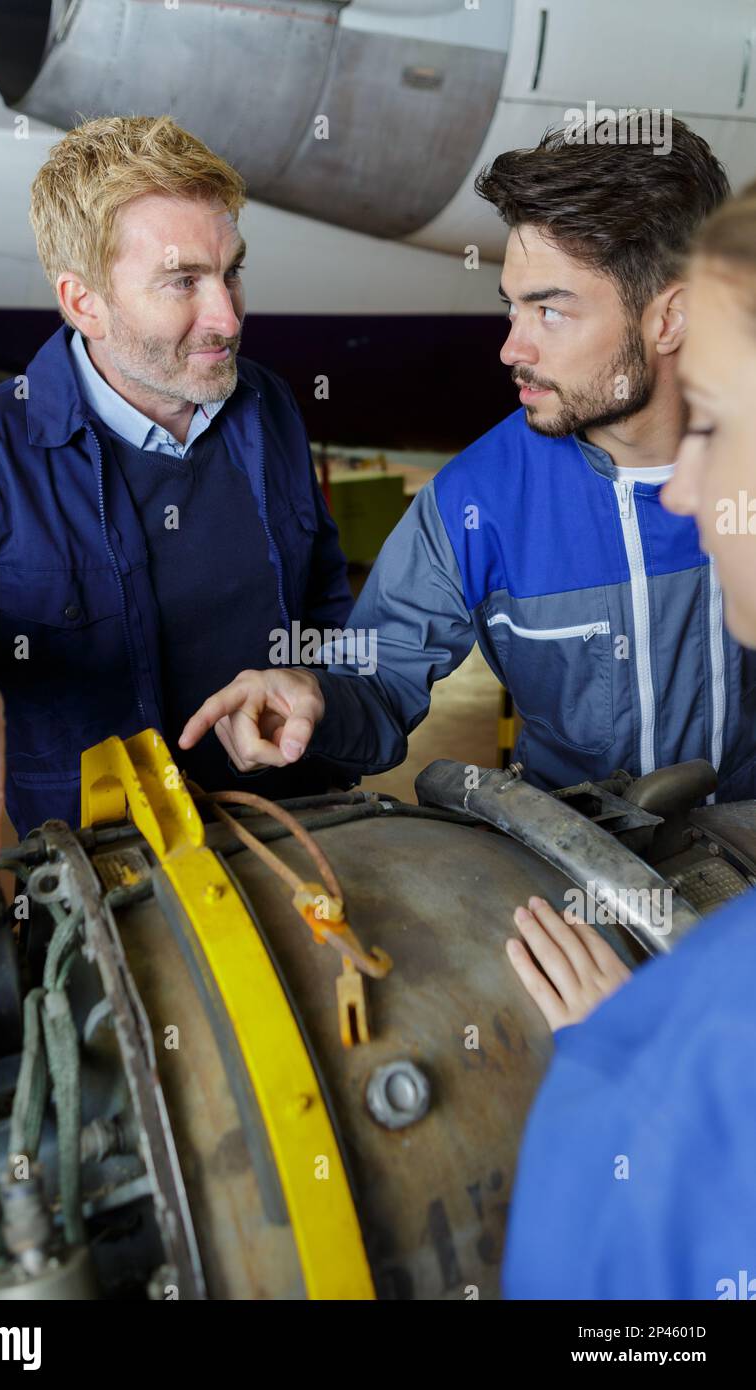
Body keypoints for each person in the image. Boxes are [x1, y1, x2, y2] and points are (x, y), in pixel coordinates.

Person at [179, 116, 756, 813]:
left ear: (670, 318)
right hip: (575, 888)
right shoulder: (472, 502)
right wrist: (316, 697)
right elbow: (382, 679)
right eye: (512, 308)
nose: (512, 349)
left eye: (550, 313)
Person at [0, 115, 351, 867]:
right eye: (183, 283)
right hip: (107, 885)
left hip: (296, 842)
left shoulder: (266, 407)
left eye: (231, 270)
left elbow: (323, 594)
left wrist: (314, 683)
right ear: (83, 303)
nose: (228, 317)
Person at [502, 177, 756, 1300]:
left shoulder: (640, 1095)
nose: (682, 492)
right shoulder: (478, 497)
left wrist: (651, 1073)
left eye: (710, 424)